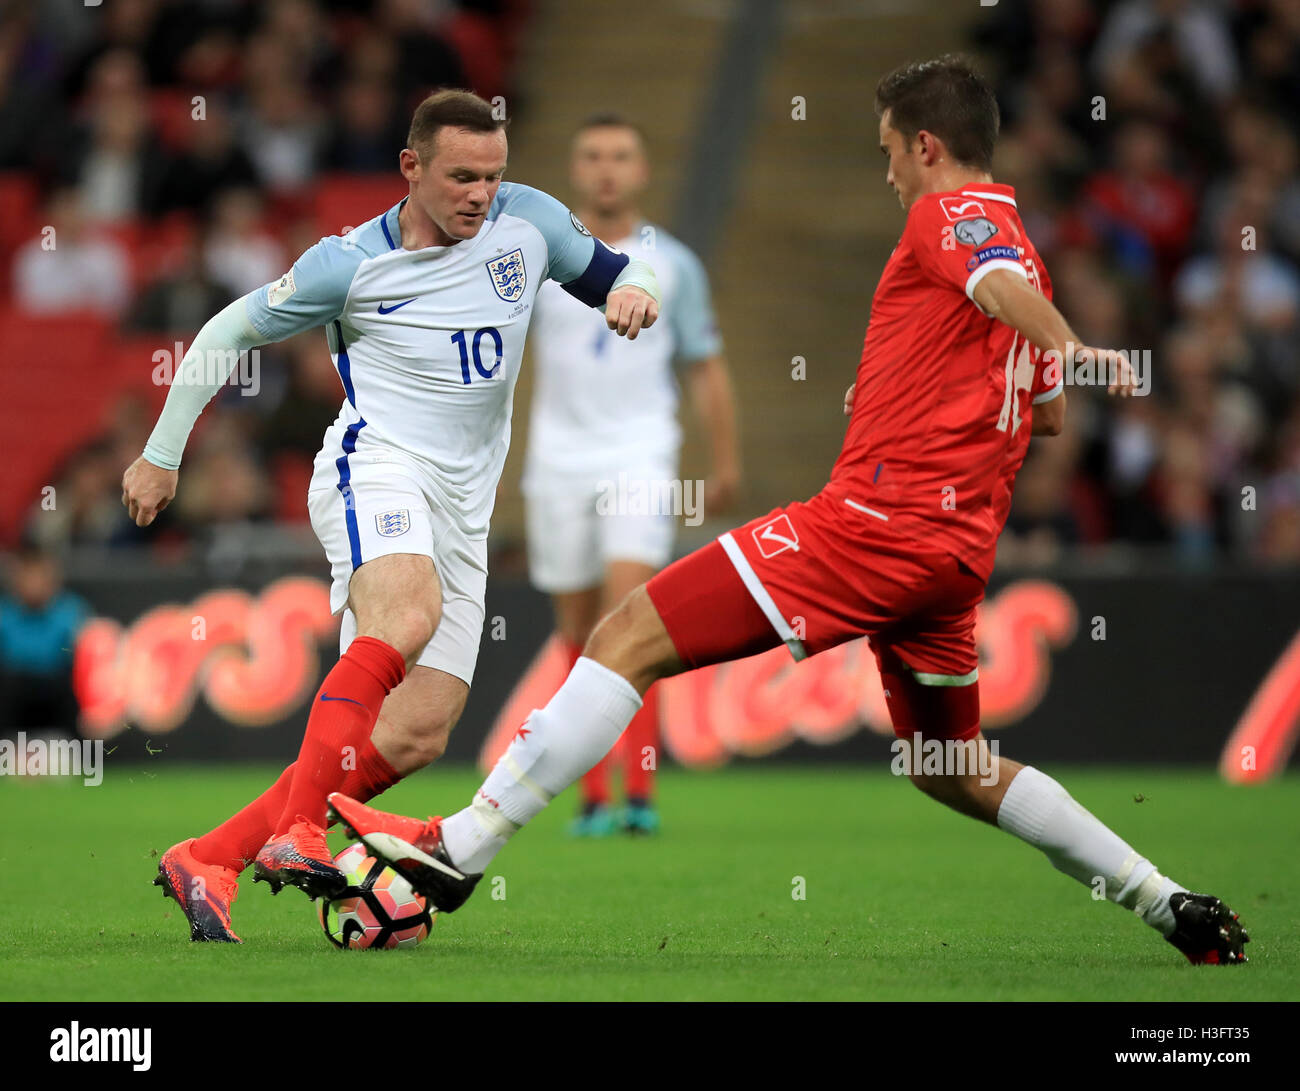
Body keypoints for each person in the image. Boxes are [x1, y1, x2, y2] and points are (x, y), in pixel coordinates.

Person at [328, 58, 1249, 966]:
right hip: (956, 559)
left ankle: (460, 848)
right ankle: (1166, 901)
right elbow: (1041, 413)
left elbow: (996, 292)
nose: (888, 172)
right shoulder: (1028, 248)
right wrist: (939, 383)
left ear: (927, 145)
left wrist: (1072, 344)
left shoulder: (952, 216)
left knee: (626, 637)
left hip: (870, 526)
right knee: (950, 767)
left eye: (890, 150)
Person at [121, 89, 660, 942]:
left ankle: (213, 854)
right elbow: (229, 330)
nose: (481, 195)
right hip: (375, 467)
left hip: (464, 506)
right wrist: (162, 451)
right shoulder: (348, 264)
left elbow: (624, 267)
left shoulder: (532, 225)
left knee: (415, 735)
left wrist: (638, 291)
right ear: (411, 168)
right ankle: (299, 833)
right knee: (408, 613)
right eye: (460, 178)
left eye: (493, 175)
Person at [512, 113, 739, 836]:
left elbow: (705, 363)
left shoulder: (672, 264)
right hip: (557, 458)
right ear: (577, 170)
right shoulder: (539, 260)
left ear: (641, 171)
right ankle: (590, 795)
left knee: (632, 613)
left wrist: (724, 456)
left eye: (621, 155)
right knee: (575, 631)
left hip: (641, 451)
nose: (607, 169)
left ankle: (637, 794)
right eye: (593, 156)